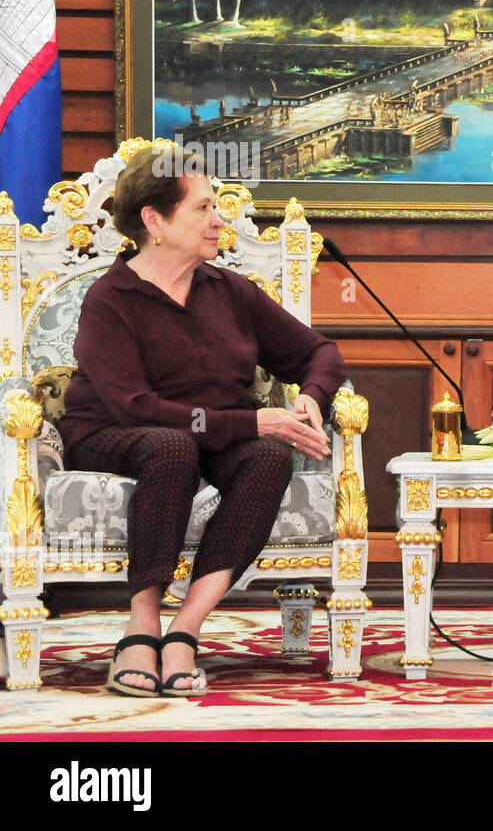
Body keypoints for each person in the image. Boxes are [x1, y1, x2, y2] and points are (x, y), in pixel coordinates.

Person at [60, 144, 347, 697]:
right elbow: (134, 407)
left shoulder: (230, 291)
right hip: (112, 434)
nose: (220, 221)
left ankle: (185, 630)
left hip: (211, 433)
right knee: (172, 447)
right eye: (203, 209)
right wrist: (252, 422)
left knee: (268, 457)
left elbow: (319, 353)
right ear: (155, 221)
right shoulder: (109, 299)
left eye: (216, 207)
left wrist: (311, 396)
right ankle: (140, 628)